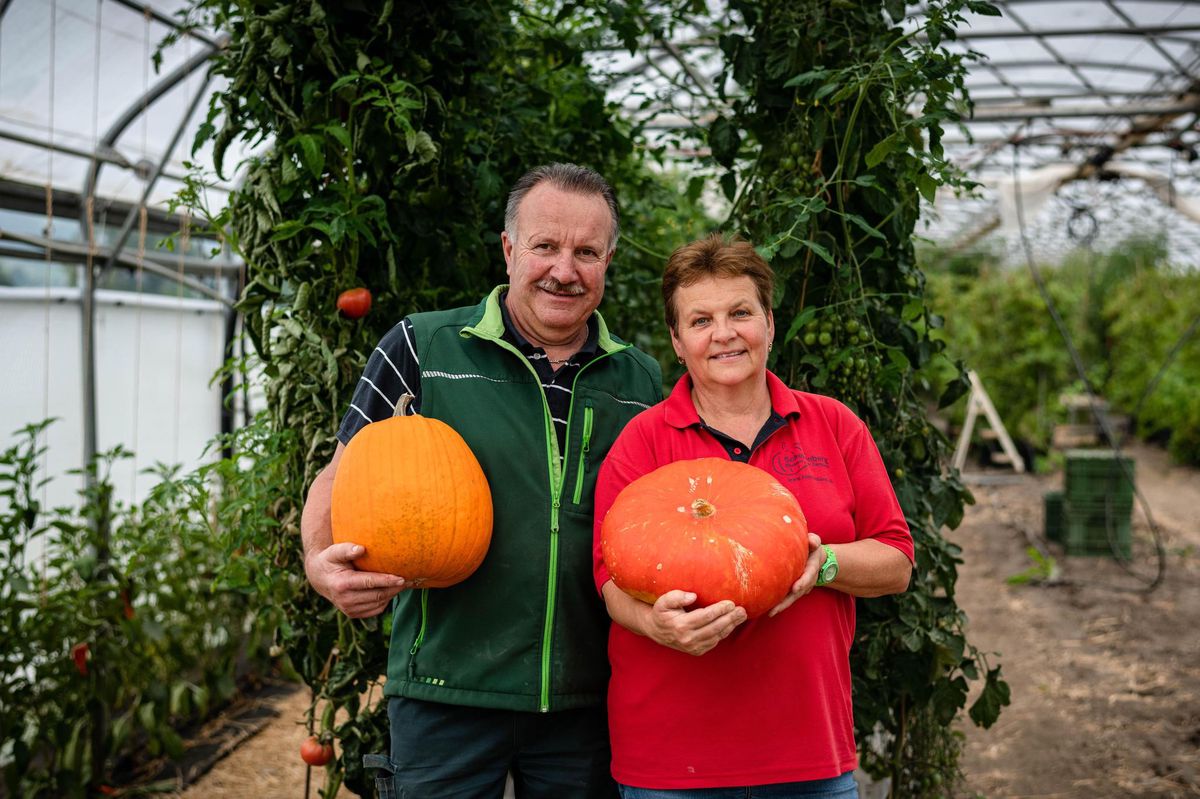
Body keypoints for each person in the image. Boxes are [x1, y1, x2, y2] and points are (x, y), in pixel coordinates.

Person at [301, 163, 664, 799]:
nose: (564, 269)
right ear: (508, 248)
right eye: (545, 246)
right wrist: (319, 564)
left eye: (586, 251)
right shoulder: (423, 347)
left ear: (609, 259)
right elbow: (342, 470)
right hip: (446, 691)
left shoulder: (640, 383)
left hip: (589, 697)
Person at [591, 233, 914, 799]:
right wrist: (654, 625)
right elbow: (608, 578)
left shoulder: (833, 426)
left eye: (740, 312)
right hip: (671, 761)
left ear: (767, 321)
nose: (723, 334)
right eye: (700, 320)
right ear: (676, 339)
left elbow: (896, 559)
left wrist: (825, 563)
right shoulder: (642, 443)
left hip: (809, 754)